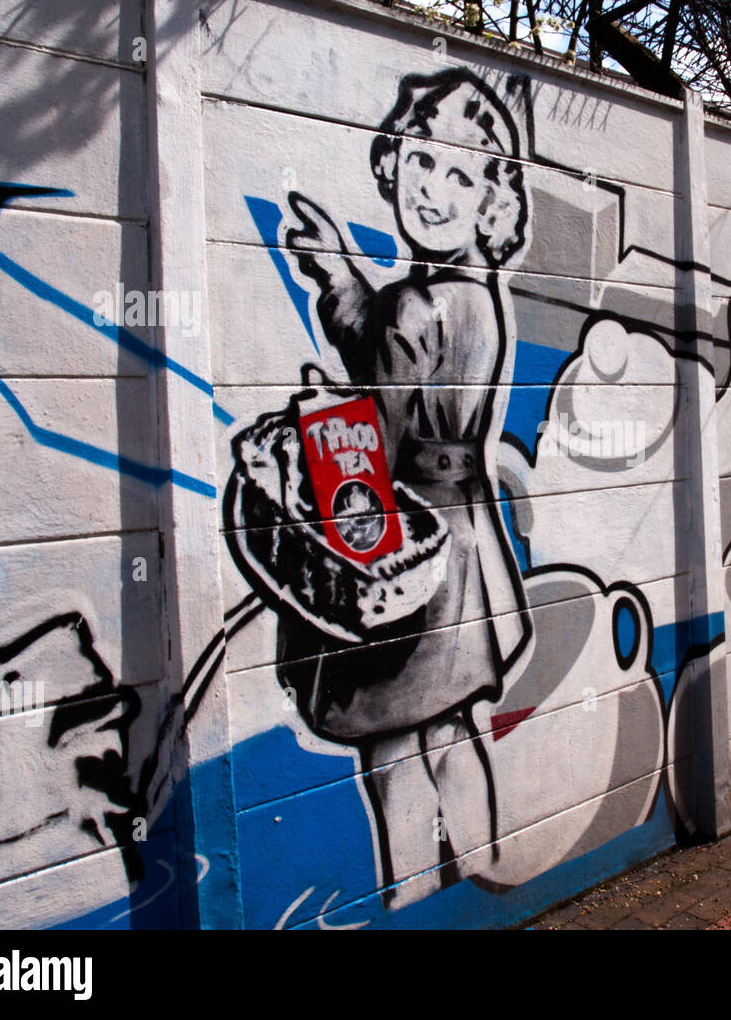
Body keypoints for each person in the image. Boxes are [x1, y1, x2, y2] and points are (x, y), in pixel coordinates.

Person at [281, 69, 532, 904]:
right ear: (395, 163)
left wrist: (328, 409)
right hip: (466, 544)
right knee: (453, 729)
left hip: (408, 561)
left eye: (461, 175)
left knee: (392, 751)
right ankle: (490, 865)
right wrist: (341, 277)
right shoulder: (479, 297)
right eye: (423, 162)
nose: (432, 189)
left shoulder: (413, 306)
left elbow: (374, 435)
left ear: (488, 197)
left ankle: (412, 898)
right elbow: (399, 351)